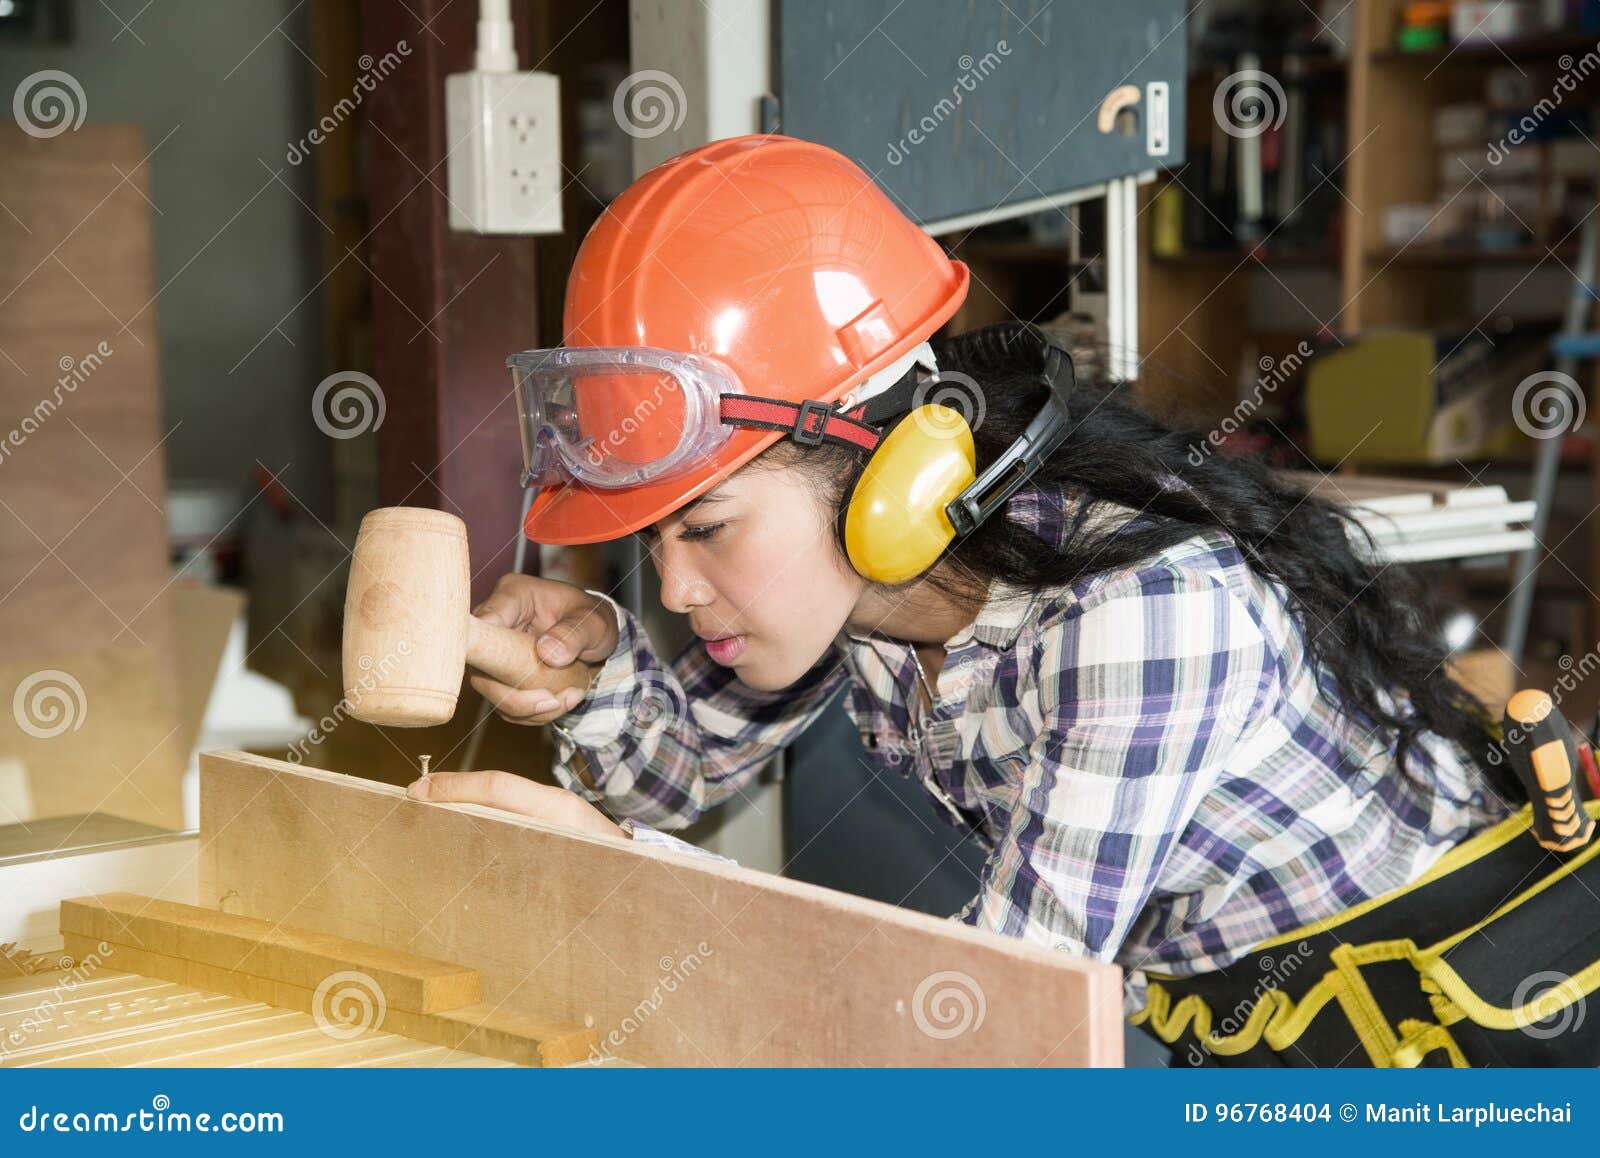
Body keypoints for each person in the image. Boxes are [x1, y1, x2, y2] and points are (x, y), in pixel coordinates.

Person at [405, 134, 1600, 1067]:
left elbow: (983, 1022)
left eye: (707, 527)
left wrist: (623, 873)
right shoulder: (862, 589)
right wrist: (594, 670)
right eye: (653, 541)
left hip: (1454, 1027)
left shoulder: (1142, 616)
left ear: (888, 473)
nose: (671, 585)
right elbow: (665, 780)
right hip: (1245, 1023)